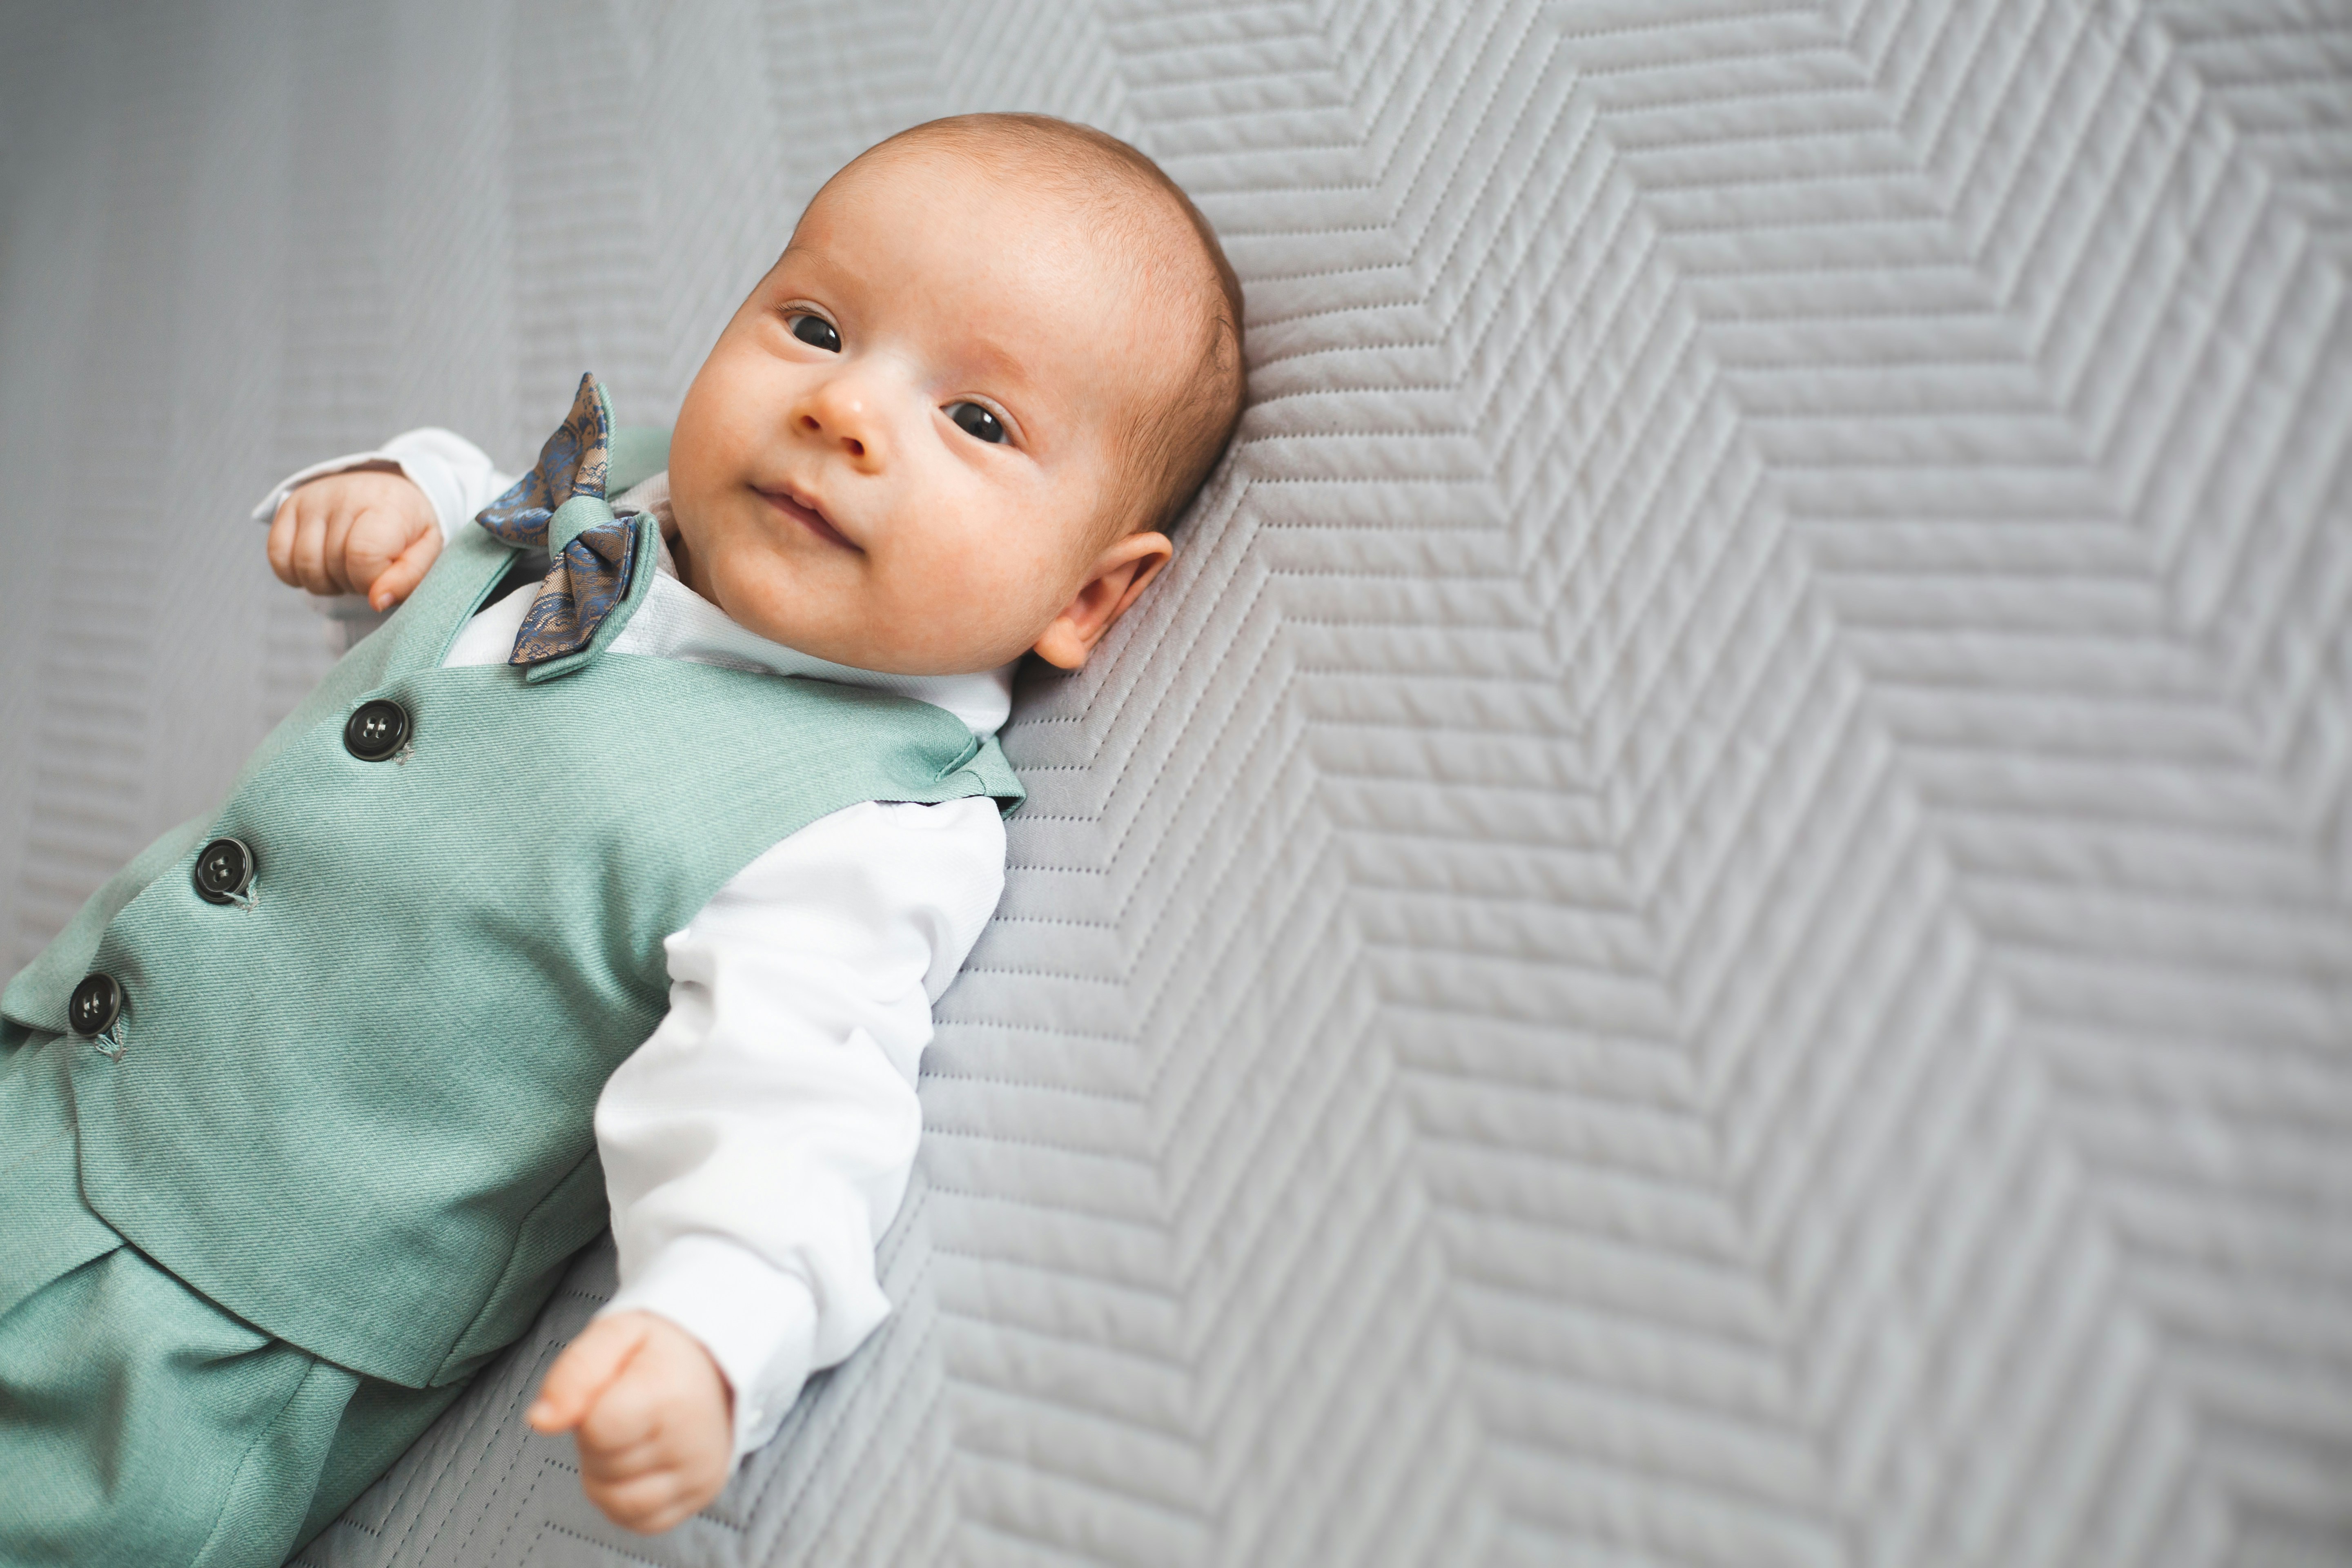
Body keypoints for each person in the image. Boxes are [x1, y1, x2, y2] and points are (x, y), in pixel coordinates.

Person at [0, 112, 1244, 1564]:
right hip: (46, 1075)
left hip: (192, 1327)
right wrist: (385, 502)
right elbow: (447, 577)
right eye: (819, 323)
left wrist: (709, 1329)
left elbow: (796, 1099)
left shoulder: (866, 820)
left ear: (1088, 599)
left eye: (979, 420)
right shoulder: (620, 488)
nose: (848, 410)